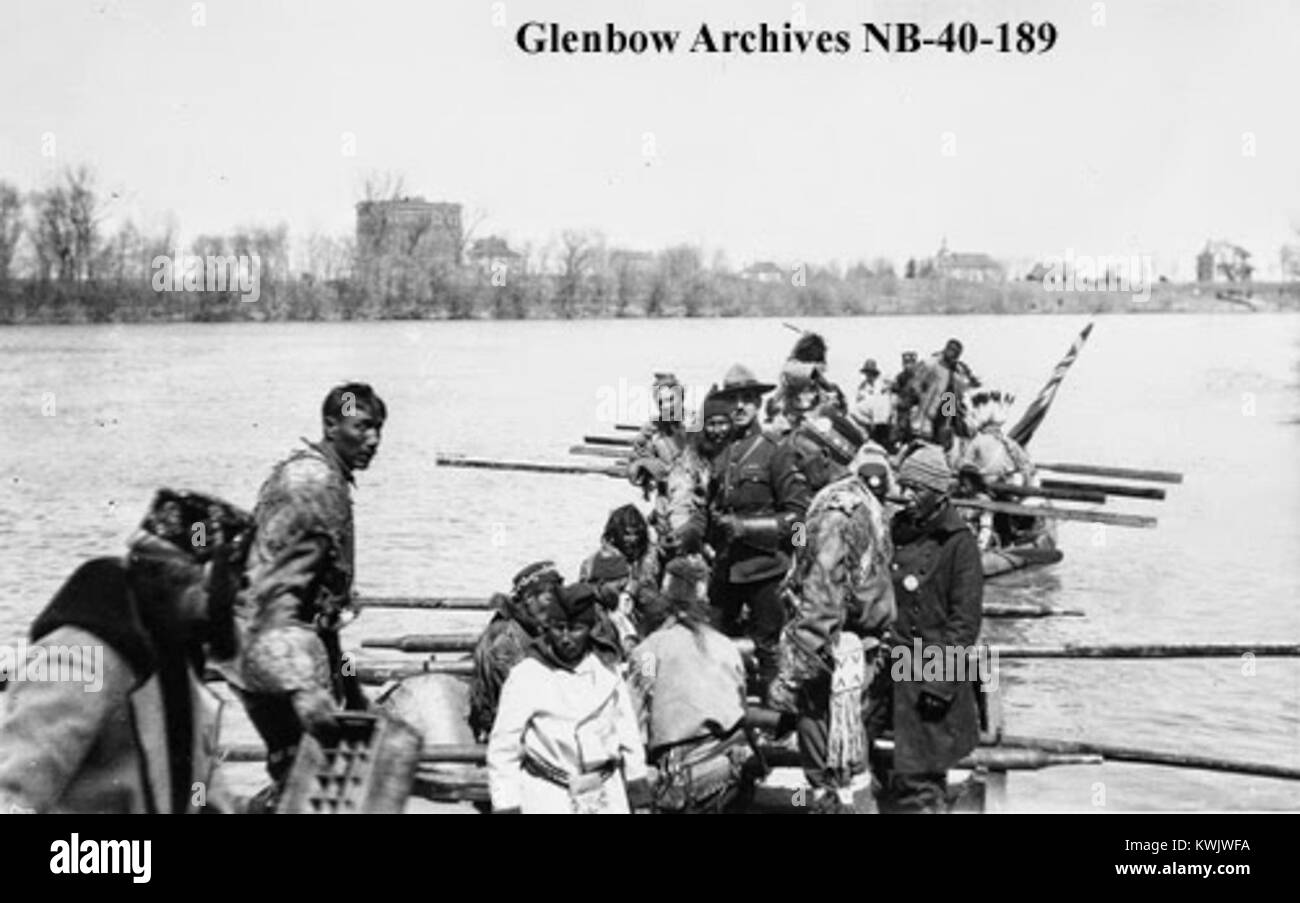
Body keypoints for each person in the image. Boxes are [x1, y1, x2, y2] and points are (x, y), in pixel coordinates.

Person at [0, 490, 253, 814]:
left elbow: (198, 792)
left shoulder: (174, 658)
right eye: (235, 578)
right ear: (201, 578)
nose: (241, 595)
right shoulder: (81, 660)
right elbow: (14, 794)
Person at [225, 382, 386, 799]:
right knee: (320, 781)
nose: (373, 440)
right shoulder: (313, 482)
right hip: (276, 650)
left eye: (378, 429)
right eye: (362, 426)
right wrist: (304, 689)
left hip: (273, 649)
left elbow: (323, 614)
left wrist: (350, 689)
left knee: (305, 776)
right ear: (331, 426)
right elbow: (268, 590)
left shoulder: (323, 475)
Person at [768, 414, 895, 813]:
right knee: (853, 762)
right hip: (865, 654)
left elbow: (822, 601)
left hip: (833, 661)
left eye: (803, 457)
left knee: (828, 768)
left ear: (827, 454)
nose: (797, 468)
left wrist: (790, 677)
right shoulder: (864, 501)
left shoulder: (832, 514)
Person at [872, 445, 984, 814]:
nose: (905, 496)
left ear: (939, 493)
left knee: (920, 780)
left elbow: (964, 623)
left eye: (915, 489)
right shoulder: (897, 530)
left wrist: (939, 683)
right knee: (872, 765)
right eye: (903, 486)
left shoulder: (959, 544)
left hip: (927, 673)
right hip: (889, 669)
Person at [692, 363, 811, 694]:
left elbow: (799, 519)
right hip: (726, 568)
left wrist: (746, 528)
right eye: (733, 399)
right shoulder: (720, 454)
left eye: (747, 399)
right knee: (713, 644)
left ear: (759, 404)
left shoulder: (777, 451)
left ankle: (777, 720)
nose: (740, 406)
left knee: (770, 648)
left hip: (766, 570)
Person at [487, 583, 650, 814]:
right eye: (558, 628)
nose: (565, 638)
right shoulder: (527, 676)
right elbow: (503, 750)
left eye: (575, 629)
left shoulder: (610, 670)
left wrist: (639, 794)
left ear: (589, 629)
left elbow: (629, 735)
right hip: (549, 796)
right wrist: (507, 806)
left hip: (606, 795)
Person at [627, 557, 761, 814]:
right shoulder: (724, 645)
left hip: (686, 776)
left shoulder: (649, 652)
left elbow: (636, 713)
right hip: (735, 763)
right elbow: (740, 703)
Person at [468, 561, 563, 742]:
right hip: (506, 726)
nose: (555, 608)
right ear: (529, 599)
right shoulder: (505, 639)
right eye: (549, 600)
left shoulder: (533, 628)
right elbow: (521, 694)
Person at [956, 390, 1050, 550]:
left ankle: (994, 539)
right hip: (1006, 489)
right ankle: (1006, 539)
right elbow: (1028, 466)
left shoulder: (978, 441)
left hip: (987, 489)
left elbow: (963, 466)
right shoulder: (1009, 442)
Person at [663, 388, 734, 562]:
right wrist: (684, 534)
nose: (718, 431)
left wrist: (797, 546)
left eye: (723, 423)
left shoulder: (744, 453)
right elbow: (683, 498)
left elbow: (796, 515)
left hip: (743, 542)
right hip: (704, 536)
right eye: (711, 424)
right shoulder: (694, 456)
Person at [579, 505, 665, 647]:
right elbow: (584, 593)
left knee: (648, 663)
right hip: (609, 624)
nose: (633, 539)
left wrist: (636, 589)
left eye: (636, 534)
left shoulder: (652, 556)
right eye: (627, 534)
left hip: (646, 624)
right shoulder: (596, 561)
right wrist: (607, 592)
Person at [626, 373, 691, 538]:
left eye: (671, 400)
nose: (666, 406)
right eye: (661, 402)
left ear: (681, 398)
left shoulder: (695, 424)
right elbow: (635, 468)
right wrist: (643, 465)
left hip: (694, 500)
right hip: (665, 500)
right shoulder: (652, 430)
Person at [912, 339, 981, 448]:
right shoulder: (932, 363)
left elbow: (959, 390)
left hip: (947, 404)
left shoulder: (957, 370)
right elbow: (916, 382)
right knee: (919, 438)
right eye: (951, 350)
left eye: (956, 352)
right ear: (945, 349)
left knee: (946, 436)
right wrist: (921, 397)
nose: (952, 353)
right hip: (926, 408)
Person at [852, 358, 895, 449]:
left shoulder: (881, 383)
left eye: (870, 372)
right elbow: (859, 403)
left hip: (882, 418)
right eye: (867, 372)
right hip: (869, 419)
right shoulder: (862, 387)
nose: (868, 375)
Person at [890, 351, 922, 447]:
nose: (908, 365)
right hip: (902, 411)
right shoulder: (900, 377)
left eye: (910, 362)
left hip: (916, 411)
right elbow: (894, 391)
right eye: (905, 362)